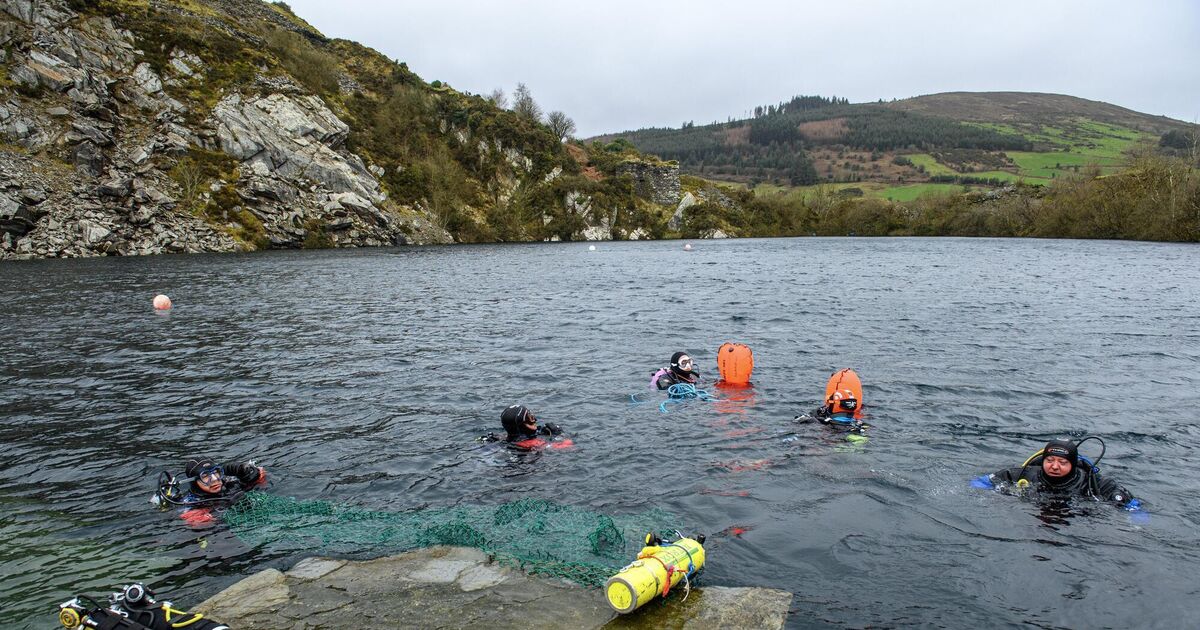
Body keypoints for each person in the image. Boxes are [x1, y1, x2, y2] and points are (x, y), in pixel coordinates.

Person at [972, 438, 1141, 511]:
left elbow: (1131, 503)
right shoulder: (1026, 474)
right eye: (1050, 460)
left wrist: (1135, 518)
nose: (1054, 466)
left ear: (1073, 465)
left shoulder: (1091, 483)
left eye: (1062, 462)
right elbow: (982, 482)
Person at [479, 404, 570, 449]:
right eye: (530, 418)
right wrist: (560, 434)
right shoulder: (532, 444)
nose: (534, 420)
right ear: (522, 425)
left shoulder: (503, 437)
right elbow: (568, 446)